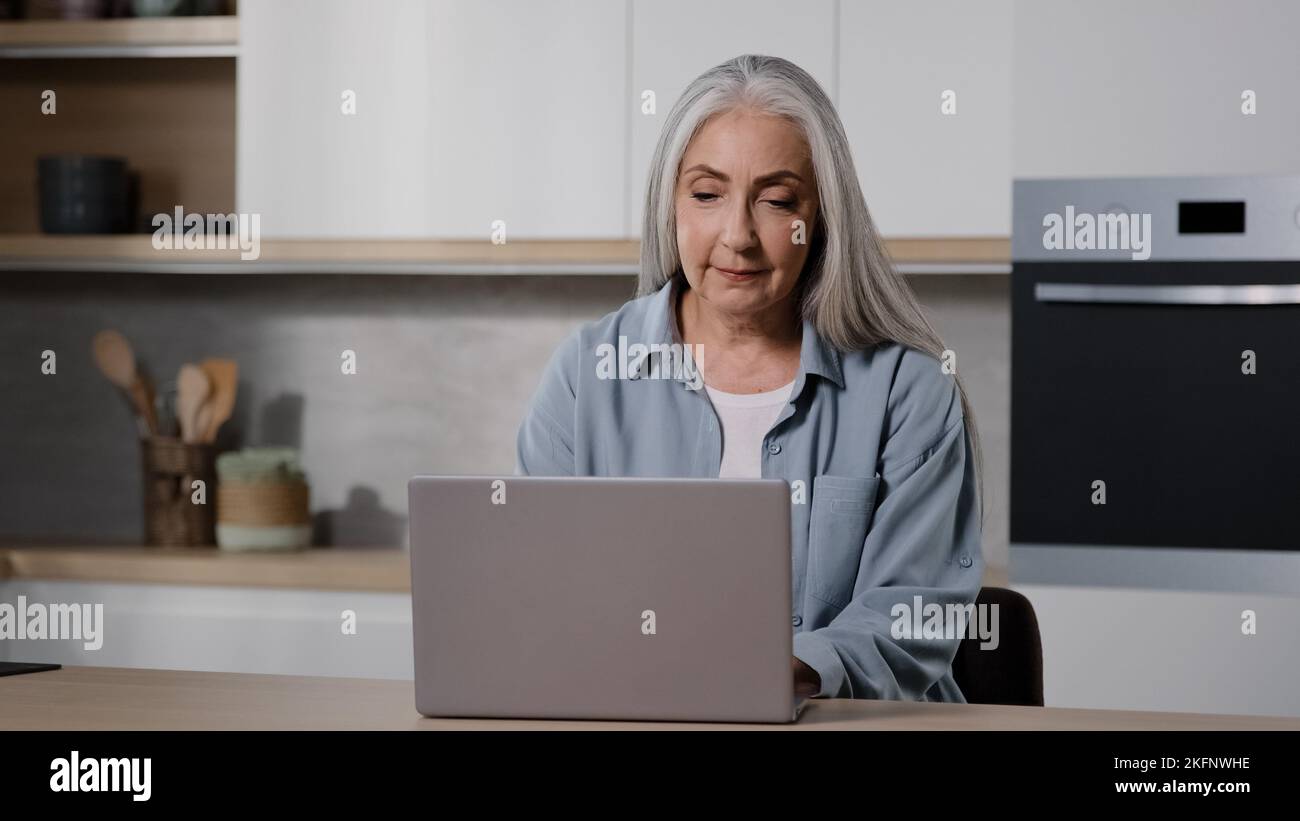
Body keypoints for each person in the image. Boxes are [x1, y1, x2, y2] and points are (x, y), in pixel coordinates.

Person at [516, 54, 984, 702]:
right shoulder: (585, 375)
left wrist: (774, 671)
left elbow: (911, 616)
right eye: (707, 194)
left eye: (775, 201)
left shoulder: (910, 392)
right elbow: (538, 591)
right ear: (671, 203)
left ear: (820, 217)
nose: (737, 235)